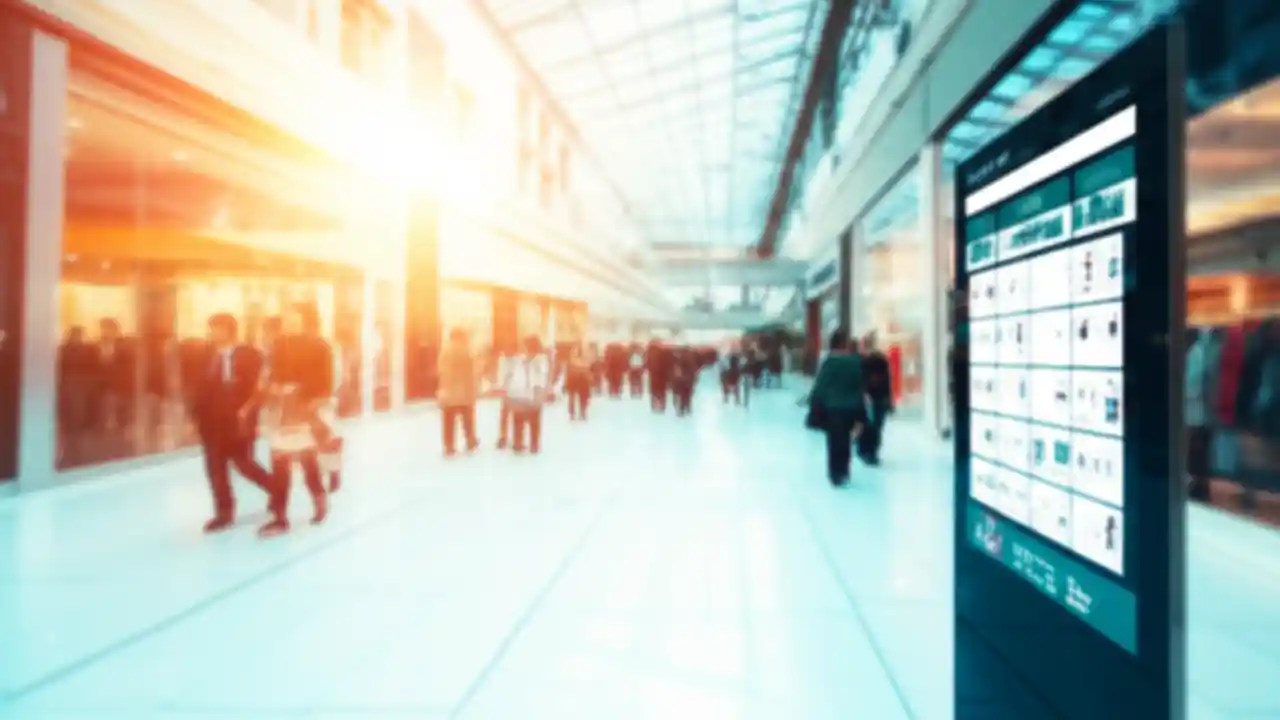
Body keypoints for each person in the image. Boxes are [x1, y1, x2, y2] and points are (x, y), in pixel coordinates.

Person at [193, 314, 287, 537]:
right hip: (211, 421)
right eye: (211, 328)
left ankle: (277, 491)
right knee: (215, 467)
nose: (213, 333)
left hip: (238, 419)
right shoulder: (206, 355)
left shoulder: (249, 354)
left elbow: (257, 387)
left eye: (217, 328)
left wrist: (248, 412)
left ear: (229, 330)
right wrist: (196, 416)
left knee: (244, 463)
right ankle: (223, 513)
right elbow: (199, 386)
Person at [262, 304, 333, 526]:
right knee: (279, 462)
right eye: (286, 318)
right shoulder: (278, 345)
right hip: (283, 409)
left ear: (304, 321)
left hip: (305, 409)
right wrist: (273, 389)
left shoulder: (320, 346)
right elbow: (272, 374)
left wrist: (312, 402)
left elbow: (325, 380)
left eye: (293, 318)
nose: (288, 322)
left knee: (307, 460)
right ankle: (280, 514)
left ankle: (318, 497)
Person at [810, 329, 865, 486]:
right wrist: (861, 413)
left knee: (834, 441)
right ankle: (844, 470)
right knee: (846, 439)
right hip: (851, 407)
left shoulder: (830, 362)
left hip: (833, 408)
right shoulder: (855, 362)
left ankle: (835, 473)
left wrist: (815, 406)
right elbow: (860, 387)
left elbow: (821, 387)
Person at [503, 335, 551, 453]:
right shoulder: (521, 359)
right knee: (519, 419)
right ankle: (518, 443)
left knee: (533, 420)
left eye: (525, 346)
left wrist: (541, 392)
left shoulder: (540, 359)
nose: (523, 349)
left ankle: (533, 445)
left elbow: (542, 377)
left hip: (534, 392)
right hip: (521, 393)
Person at [438, 327, 480, 456]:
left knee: (448, 421)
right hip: (464, 391)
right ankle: (470, 440)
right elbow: (474, 370)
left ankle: (449, 446)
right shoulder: (467, 350)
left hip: (449, 391)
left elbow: (440, 369)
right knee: (467, 419)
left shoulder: (445, 351)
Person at [858, 332, 893, 466]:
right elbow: (887, 381)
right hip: (879, 398)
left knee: (867, 425)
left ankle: (866, 451)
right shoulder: (881, 359)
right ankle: (872, 452)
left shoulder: (862, 360)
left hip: (868, 397)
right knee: (876, 426)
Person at [564, 345, 592, 421]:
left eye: (575, 351)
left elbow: (588, 369)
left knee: (581, 397)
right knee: (573, 397)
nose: (574, 353)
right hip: (574, 380)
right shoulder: (571, 361)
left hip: (580, 380)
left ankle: (581, 412)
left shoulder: (580, 361)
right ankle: (574, 413)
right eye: (573, 351)